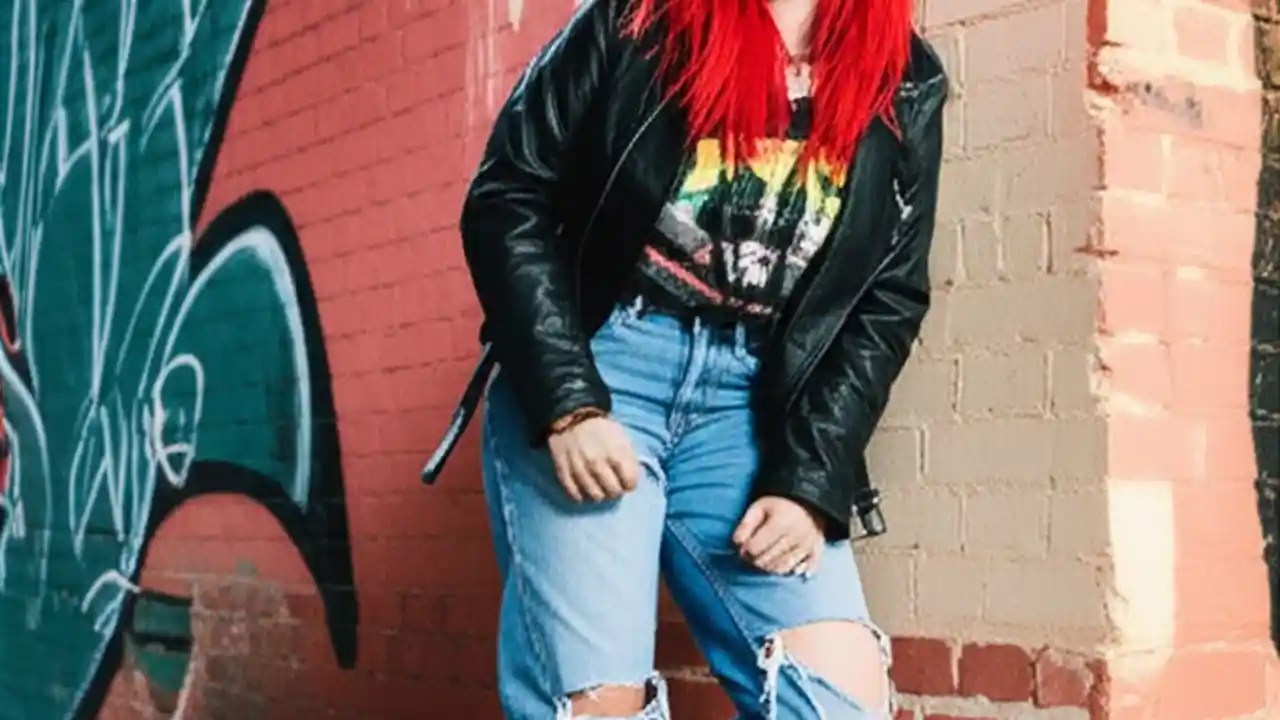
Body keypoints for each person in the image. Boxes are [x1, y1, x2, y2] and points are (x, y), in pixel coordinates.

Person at [449, 0, 947, 716]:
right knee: (597, 706)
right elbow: (508, 196)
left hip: (752, 404)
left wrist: (809, 482)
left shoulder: (905, 78)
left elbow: (888, 297)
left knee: (837, 699)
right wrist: (566, 402)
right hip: (608, 368)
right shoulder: (640, 21)